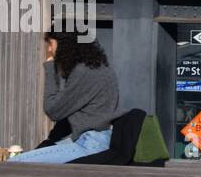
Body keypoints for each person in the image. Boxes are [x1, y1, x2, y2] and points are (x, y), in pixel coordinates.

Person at [10, 31, 119, 164]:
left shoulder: (85, 72)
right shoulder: (100, 68)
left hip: (90, 145)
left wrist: (50, 68)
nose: (49, 49)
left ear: (65, 44)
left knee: (14, 163)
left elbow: (53, 110)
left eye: (51, 44)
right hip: (94, 140)